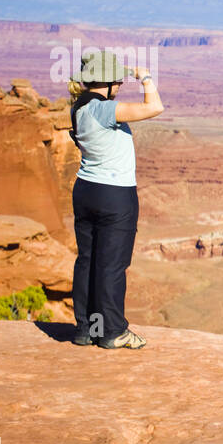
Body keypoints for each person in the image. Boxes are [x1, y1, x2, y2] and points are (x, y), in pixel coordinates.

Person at [67, 51, 164, 348]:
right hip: (114, 195)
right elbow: (155, 107)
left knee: (88, 260)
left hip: (86, 190)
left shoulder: (78, 107)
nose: (121, 84)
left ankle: (87, 328)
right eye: (118, 80)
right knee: (111, 265)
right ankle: (112, 332)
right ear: (106, 82)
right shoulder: (102, 110)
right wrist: (146, 77)